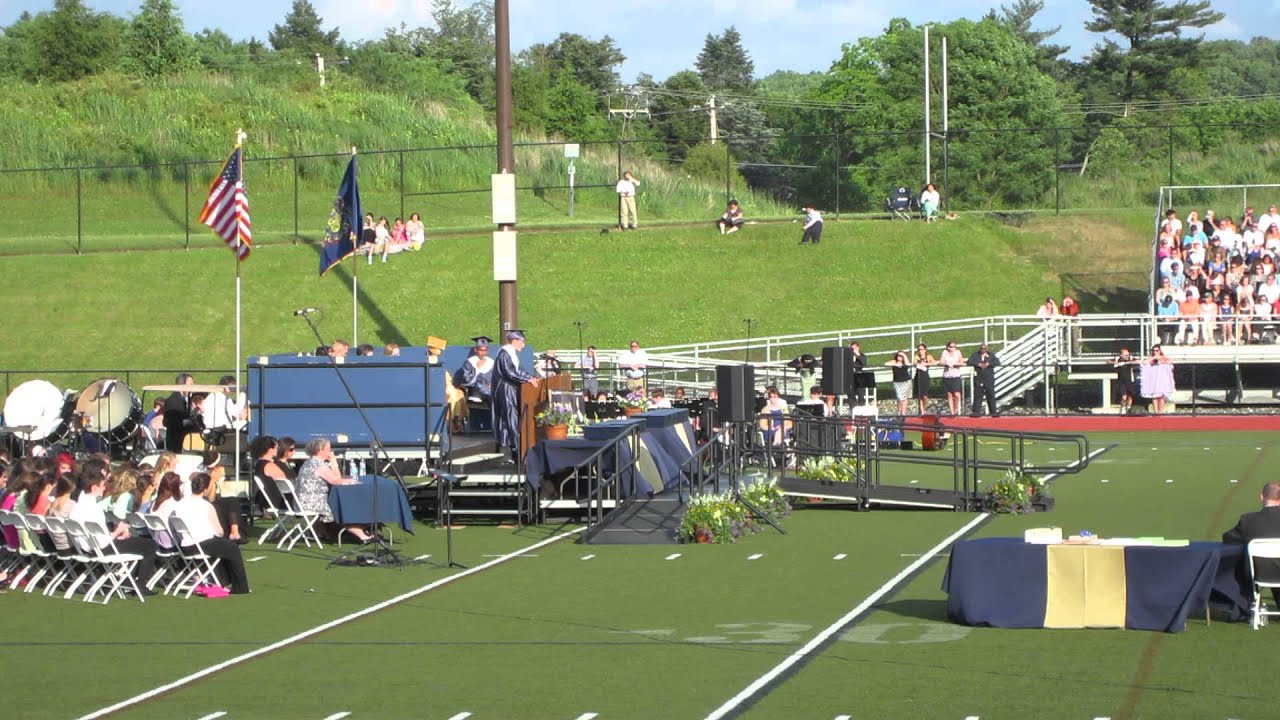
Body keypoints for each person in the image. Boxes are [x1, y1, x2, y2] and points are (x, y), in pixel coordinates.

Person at [68, 471, 159, 592]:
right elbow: (102, 542)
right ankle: (140, 584)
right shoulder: (94, 509)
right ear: (94, 487)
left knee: (134, 542)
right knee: (150, 545)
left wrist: (116, 534)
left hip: (85, 548)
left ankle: (128, 579)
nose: (104, 487)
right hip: (101, 548)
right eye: (102, 485)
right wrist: (117, 532)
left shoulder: (76, 507)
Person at [172, 472, 250, 595]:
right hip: (200, 545)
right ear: (206, 488)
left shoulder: (178, 505)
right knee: (232, 548)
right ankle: (241, 587)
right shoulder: (206, 506)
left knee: (224, 546)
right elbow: (219, 531)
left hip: (184, 546)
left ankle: (222, 580)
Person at [295, 437, 372, 542]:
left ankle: (321, 531)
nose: (330, 452)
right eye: (328, 449)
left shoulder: (308, 463)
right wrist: (333, 461)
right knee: (341, 507)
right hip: (312, 503)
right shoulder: (318, 465)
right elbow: (337, 480)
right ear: (320, 450)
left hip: (301, 501)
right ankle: (361, 534)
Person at [1223, 481, 1280, 612]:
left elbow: (1228, 537)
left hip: (1262, 575)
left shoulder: (1248, 521)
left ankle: (1246, 604)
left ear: (1262, 496)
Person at [492, 330, 540, 458]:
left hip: (510, 388)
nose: (523, 345)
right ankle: (514, 448)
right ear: (515, 341)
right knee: (510, 416)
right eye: (522, 342)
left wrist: (531, 378)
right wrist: (527, 379)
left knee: (513, 416)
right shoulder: (504, 354)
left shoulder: (511, 354)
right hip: (505, 390)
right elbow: (510, 373)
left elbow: (519, 371)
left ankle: (516, 445)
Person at [162, 372, 196, 452]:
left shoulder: (187, 398)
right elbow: (167, 422)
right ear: (182, 385)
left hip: (187, 441)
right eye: (191, 383)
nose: (193, 385)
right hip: (176, 443)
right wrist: (185, 422)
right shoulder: (172, 400)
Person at [458, 336, 495, 403]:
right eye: (480, 350)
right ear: (476, 350)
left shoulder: (491, 362)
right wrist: (477, 369)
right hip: (475, 393)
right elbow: (466, 381)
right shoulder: (470, 362)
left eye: (485, 350)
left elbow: (496, 377)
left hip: (489, 391)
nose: (483, 353)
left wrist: (492, 384)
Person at [966, 343, 1000, 416]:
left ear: (987, 349)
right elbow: (969, 362)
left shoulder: (991, 355)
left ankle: (993, 411)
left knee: (990, 394)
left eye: (984, 348)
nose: (983, 350)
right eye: (981, 348)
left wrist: (988, 364)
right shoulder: (975, 355)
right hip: (979, 377)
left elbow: (997, 362)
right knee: (978, 395)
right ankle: (976, 412)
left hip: (989, 378)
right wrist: (978, 364)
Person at [1139, 344, 1174, 415]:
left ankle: (1160, 411)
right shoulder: (1151, 358)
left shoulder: (1164, 357)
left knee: (1161, 396)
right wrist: (1154, 357)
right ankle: (1156, 411)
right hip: (1154, 379)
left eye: (1157, 350)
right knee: (1154, 396)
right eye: (1154, 350)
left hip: (1162, 379)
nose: (1155, 352)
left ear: (1160, 351)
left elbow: (1171, 361)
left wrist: (1161, 360)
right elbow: (1144, 362)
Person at [1110, 348, 1141, 415]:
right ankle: (1123, 409)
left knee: (1130, 395)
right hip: (1122, 381)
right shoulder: (1117, 359)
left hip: (1130, 380)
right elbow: (1108, 361)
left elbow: (1138, 361)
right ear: (1121, 355)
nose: (1127, 356)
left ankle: (1128, 408)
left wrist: (1128, 362)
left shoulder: (1131, 358)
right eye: (1125, 355)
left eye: (1127, 354)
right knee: (1124, 396)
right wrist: (1118, 363)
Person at [939, 341, 965, 415]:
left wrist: (954, 364)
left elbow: (961, 362)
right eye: (951, 346)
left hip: (955, 375)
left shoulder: (958, 352)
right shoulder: (944, 352)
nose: (952, 348)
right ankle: (952, 411)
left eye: (954, 346)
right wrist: (946, 364)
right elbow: (941, 362)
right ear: (947, 347)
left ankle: (957, 408)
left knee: (957, 394)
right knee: (949, 394)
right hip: (947, 375)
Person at [885, 350, 912, 416]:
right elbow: (886, 363)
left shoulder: (905, 363)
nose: (899, 357)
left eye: (901, 356)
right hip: (897, 382)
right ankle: (899, 411)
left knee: (905, 397)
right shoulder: (894, 362)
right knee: (899, 397)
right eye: (898, 355)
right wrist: (895, 364)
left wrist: (904, 355)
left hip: (906, 381)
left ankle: (903, 412)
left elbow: (908, 364)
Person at [912, 343, 936, 415]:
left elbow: (934, 362)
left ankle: (924, 407)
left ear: (925, 350)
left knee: (925, 396)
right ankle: (921, 411)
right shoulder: (916, 356)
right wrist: (918, 364)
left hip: (925, 377)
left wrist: (926, 364)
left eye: (922, 349)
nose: (920, 351)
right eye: (919, 349)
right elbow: (914, 363)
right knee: (919, 395)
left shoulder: (928, 356)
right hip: (918, 376)